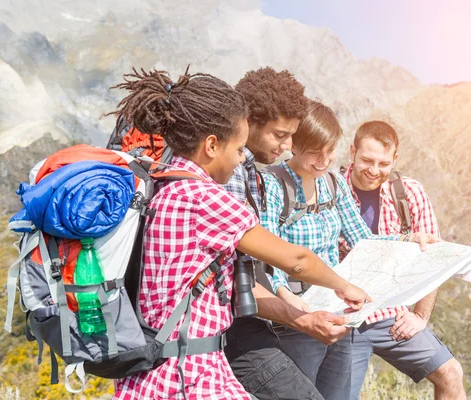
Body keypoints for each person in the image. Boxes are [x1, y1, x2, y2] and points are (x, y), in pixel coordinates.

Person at [107, 68, 370, 400]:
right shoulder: (206, 198)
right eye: (239, 149)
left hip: (162, 367)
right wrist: (344, 286)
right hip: (188, 374)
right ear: (212, 145)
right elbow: (296, 260)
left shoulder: (166, 184)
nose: (242, 157)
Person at [260, 102, 438, 400]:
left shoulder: (332, 184)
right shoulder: (272, 184)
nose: (323, 161)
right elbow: (268, 253)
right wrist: (289, 301)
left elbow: (362, 239)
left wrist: (408, 242)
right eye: (314, 152)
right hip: (297, 317)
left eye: (330, 152)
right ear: (295, 145)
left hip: (339, 313)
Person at [223, 67, 354, 400]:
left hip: (242, 315)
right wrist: (330, 296)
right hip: (225, 324)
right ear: (249, 120)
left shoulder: (250, 171)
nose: (288, 145)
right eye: (280, 135)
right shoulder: (233, 173)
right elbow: (282, 261)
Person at [341, 121, 466, 400]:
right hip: (347, 317)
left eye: (383, 163)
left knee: (451, 373)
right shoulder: (333, 191)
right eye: (367, 160)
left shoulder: (409, 193)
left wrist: (420, 316)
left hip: (390, 315)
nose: (374, 170)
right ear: (352, 152)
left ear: (395, 159)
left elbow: (432, 257)